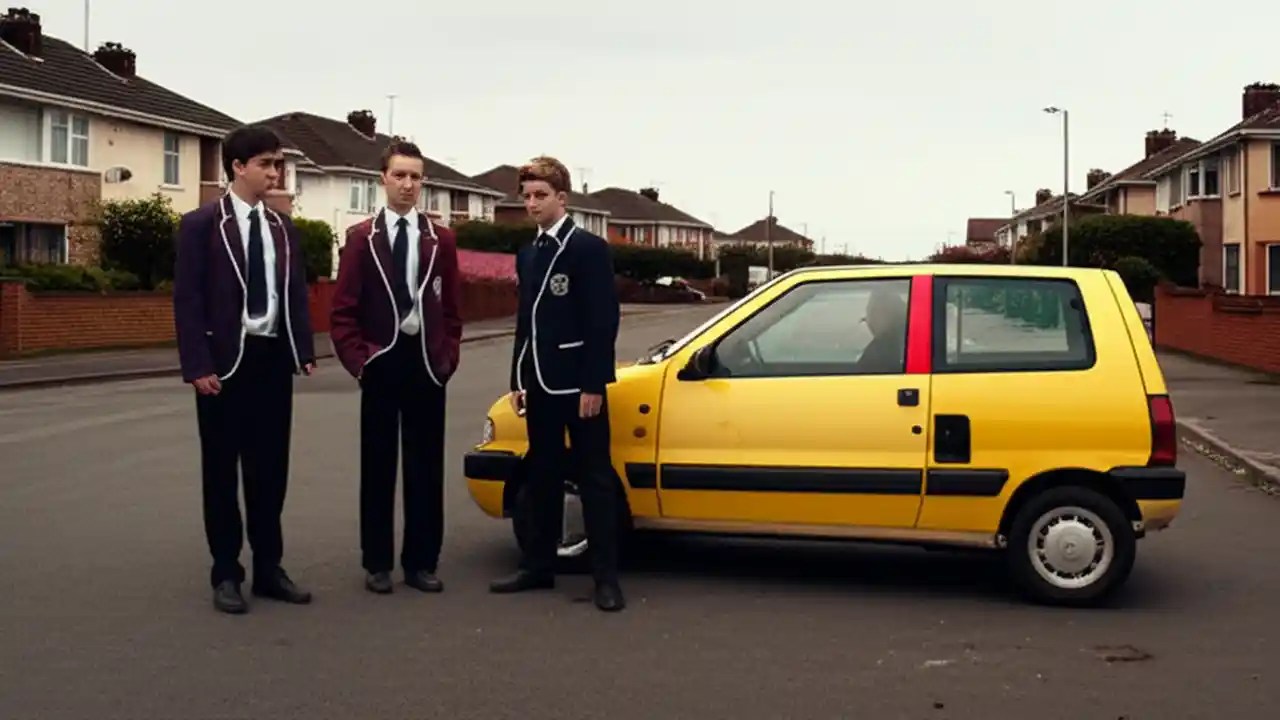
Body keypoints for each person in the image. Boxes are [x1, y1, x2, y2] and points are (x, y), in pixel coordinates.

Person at [173, 124, 317, 614]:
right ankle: (226, 572)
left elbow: (293, 294)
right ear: (237, 167)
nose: (275, 173)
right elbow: (188, 300)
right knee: (221, 472)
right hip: (222, 364)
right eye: (266, 164)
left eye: (278, 164)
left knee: (270, 471)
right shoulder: (201, 225)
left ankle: (269, 569)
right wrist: (197, 364)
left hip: (271, 359)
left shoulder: (283, 228)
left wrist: (302, 349)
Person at [489, 156, 625, 612]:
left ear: (561, 198)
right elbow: (526, 322)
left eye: (541, 196)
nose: (532, 204)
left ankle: (606, 578)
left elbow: (603, 320)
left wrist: (594, 384)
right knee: (542, 476)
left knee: (595, 479)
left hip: (580, 386)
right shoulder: (529, 253)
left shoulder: (588, 248)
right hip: (540, 384)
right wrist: (518, 377)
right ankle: (538, 566)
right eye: (527, 196)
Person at [330, 139, 462, 595]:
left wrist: (447, 357)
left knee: (426, 467)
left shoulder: (440, 239)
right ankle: (377, 562)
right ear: (382, 179)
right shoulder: (361, 238)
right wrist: (360, 362)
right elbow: (342, 310)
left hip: (426, 362)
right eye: (400, 175)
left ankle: (422, 562)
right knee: (378, 464)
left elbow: (452, 309)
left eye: (415, 177)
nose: (408, 184)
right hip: (381, 361)